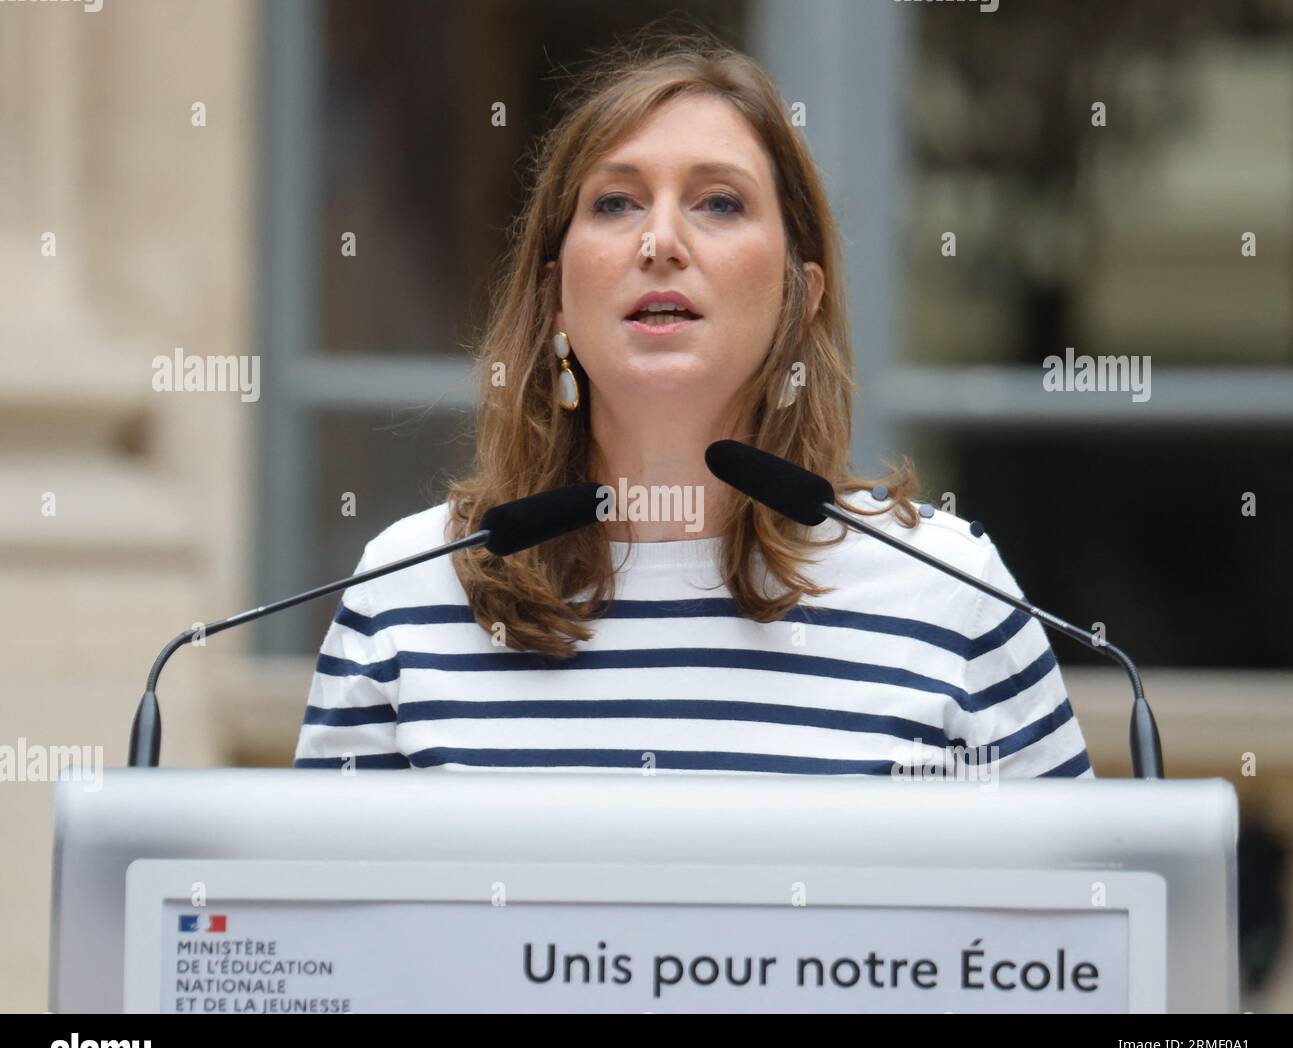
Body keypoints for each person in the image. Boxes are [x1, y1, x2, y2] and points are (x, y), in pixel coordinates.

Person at [294, 33, 1092, 780]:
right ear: (556, 299)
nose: (661, 241)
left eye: (718, 202)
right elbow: (321, 923)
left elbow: (1081, 916)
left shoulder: (947, 592)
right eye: (615, 203)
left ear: (797, 297)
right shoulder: (409, 592)